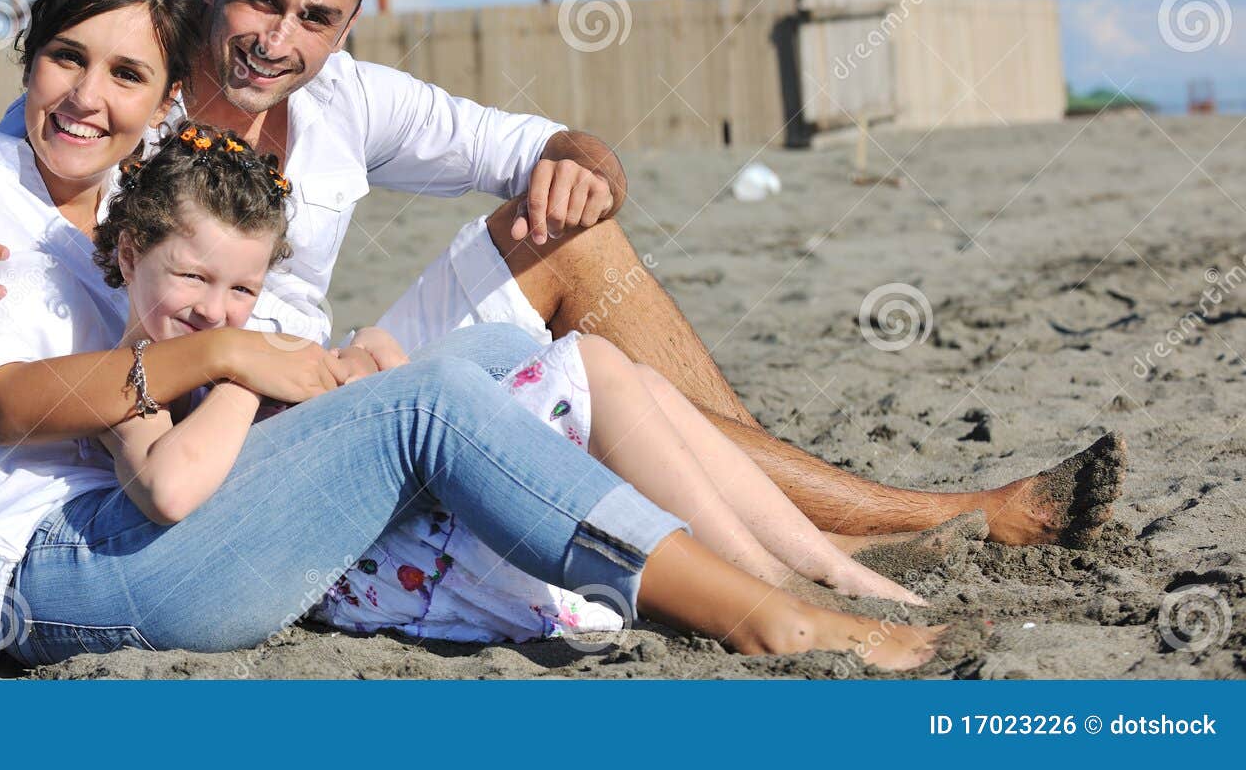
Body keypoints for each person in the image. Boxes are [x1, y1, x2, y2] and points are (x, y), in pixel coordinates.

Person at [0, 0, 1123, 550]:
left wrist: (581, 163)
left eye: (314, 17)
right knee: (587, 348)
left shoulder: (348, 101)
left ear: (347, 24)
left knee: (581, 238)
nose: (276, 40)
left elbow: (551, 144)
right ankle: (939, 515)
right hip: (234, 427)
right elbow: (16, 172)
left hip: (338, 372)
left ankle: (827, 500)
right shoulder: (136, 97)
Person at [0, 0, 942, 669]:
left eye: (123, 74)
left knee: (490, 355)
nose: (86, 95)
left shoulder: (134, 182)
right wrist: (237, 360)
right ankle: (766, 618)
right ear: (27, 53)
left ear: (165, 100)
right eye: (66, 57)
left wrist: (309, 370)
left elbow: (519, 150)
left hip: (174, 512)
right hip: (55, 572)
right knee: (429, 402)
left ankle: (788, 560)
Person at [88, 121, 926, 647]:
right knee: (555, 382)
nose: (215, 311)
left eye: (241, 290)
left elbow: (341, 413)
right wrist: (240, 371)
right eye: (191, 278)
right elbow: (171, 485)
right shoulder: (132, 377)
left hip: (378, 511)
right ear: (130, 255)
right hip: (354, 566)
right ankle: (768, 584)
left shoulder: (241, 339)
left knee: (596, 362)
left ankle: (810, 559)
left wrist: (363, 360)